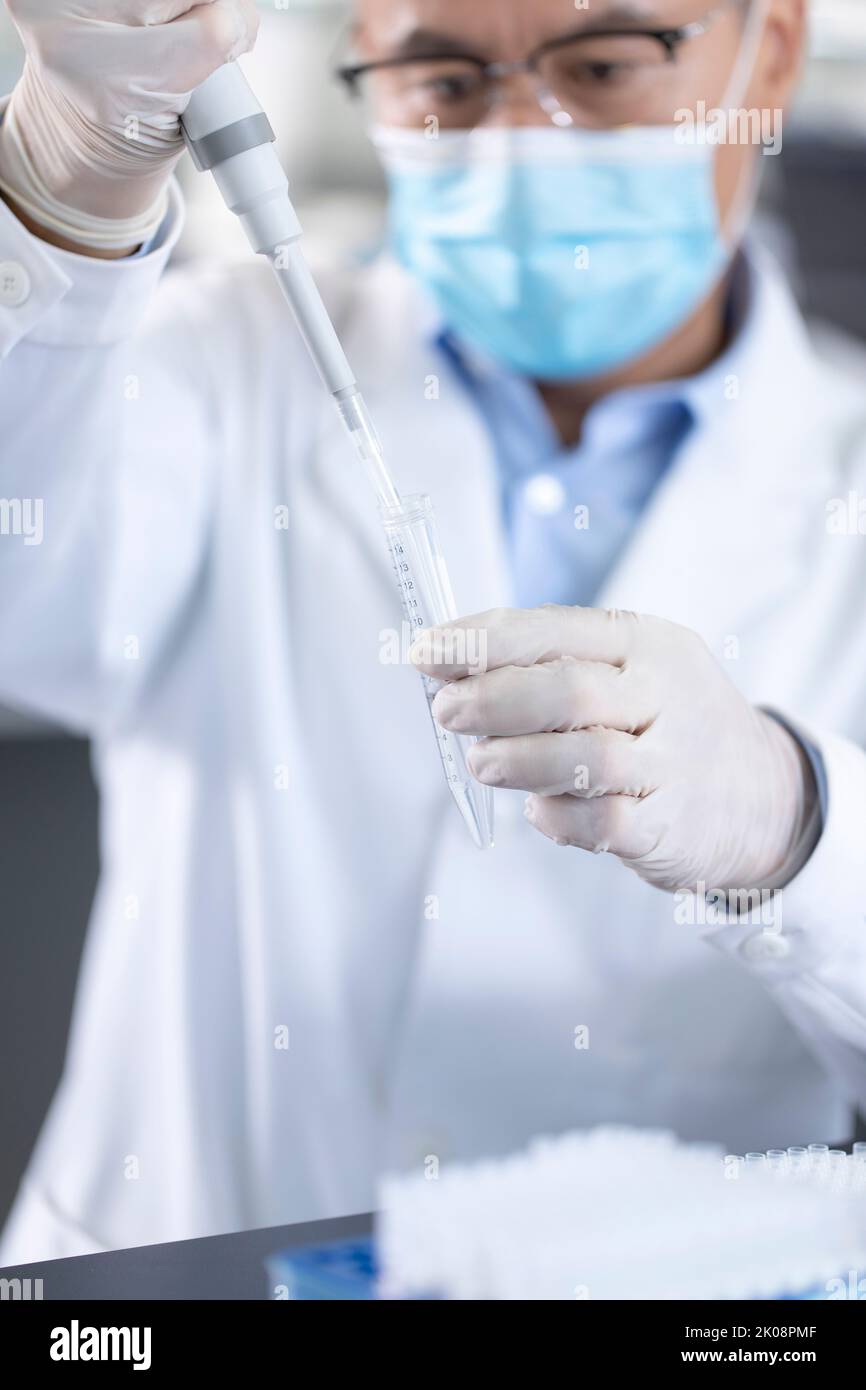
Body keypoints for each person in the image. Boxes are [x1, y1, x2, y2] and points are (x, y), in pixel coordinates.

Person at [0, 0, 865, 1265]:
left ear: (769, 54)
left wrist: (799, 822)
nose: (521, 133)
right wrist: (63, 196)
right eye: (439, 75)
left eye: (604, 63)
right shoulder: (218, 364)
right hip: (174, 1279)